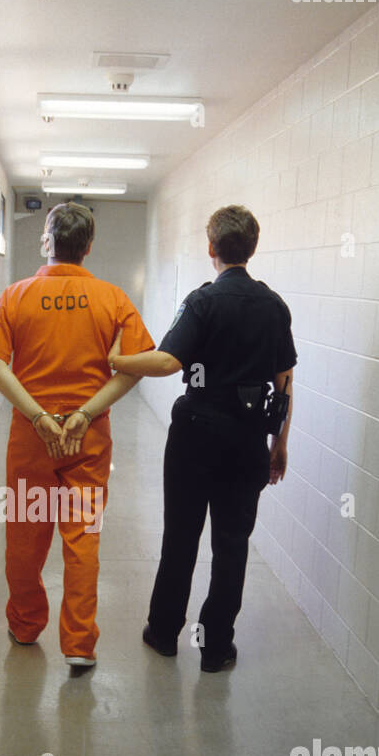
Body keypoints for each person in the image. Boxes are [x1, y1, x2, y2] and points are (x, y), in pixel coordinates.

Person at [109, 204, 297, 671]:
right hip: (249, 439)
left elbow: (168, 361)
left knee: (181, 537)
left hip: (196, 437)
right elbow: (284, 383)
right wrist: (280, 444)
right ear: (251, 248)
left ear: (211, 248)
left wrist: (119, 360)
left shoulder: (203, 301)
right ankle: (215, 649)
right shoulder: (274, 306)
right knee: (232, 545)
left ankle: (165, 633)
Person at [0, 201, 154, 669]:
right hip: (86, 442)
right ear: (89, 247)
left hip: (33, 443)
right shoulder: (113, 299)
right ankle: (78, 644)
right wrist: (85, 413)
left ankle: (26, 625)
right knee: (83, 539)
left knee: (25, 539)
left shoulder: (16, 296)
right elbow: (133, 369)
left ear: (46, 241)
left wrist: (37, 416)